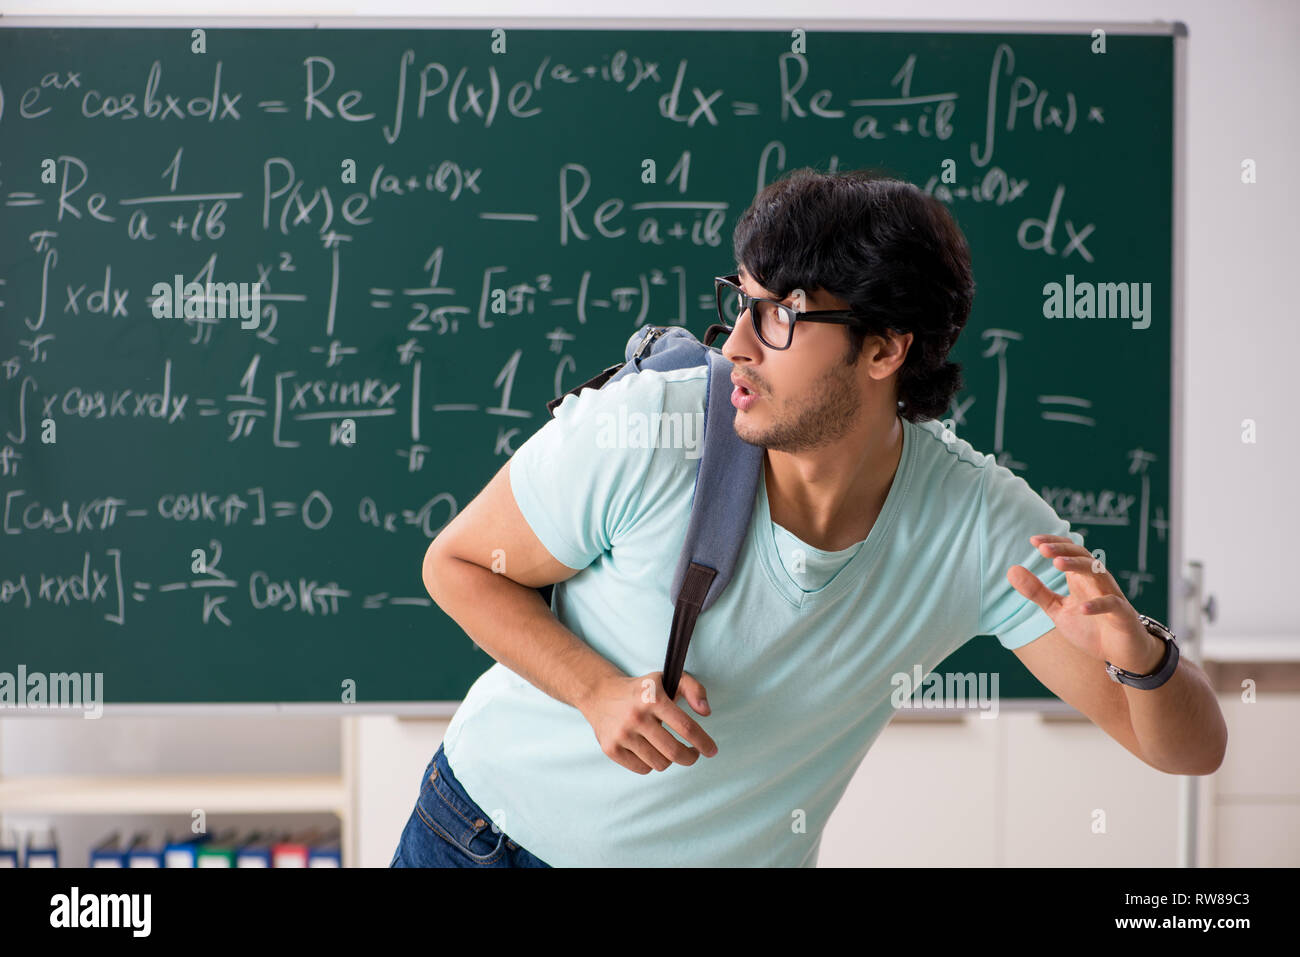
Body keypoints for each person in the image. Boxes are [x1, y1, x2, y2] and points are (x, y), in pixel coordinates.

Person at [390, 167, 1226, 869]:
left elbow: (1188, 750)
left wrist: (1143, 659)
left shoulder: (978, 525)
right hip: (485, 839)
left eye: (783, 312)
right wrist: (596, 690)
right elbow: (456, 564)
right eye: (742, 300)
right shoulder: (651, 427)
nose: (737, 346)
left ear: (884, 348)